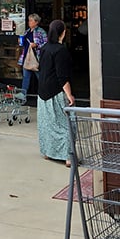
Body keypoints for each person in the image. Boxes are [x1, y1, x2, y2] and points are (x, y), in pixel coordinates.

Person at [36, 19, 75, 165]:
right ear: (63, 33)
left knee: (48, 124)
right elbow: (62, 76)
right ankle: (68, 157)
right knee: (67, 125)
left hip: (42, 92)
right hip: (56, 92)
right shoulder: (61, 50)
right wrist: (69, 95)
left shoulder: (44, 48)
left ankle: (48, 152)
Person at [18, 13, 47, 99]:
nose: (29, 22)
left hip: (36, 58)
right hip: (27, 57)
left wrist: (37, 45)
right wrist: (20, 41)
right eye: (29, 20)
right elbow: (23, 44)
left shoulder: (41, 31)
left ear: (36, 22)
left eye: (31, 20)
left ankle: (45, 94)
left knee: (40, 77)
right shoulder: (27, 31)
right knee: (26, 77)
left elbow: (46, 43)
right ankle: (23, 95)